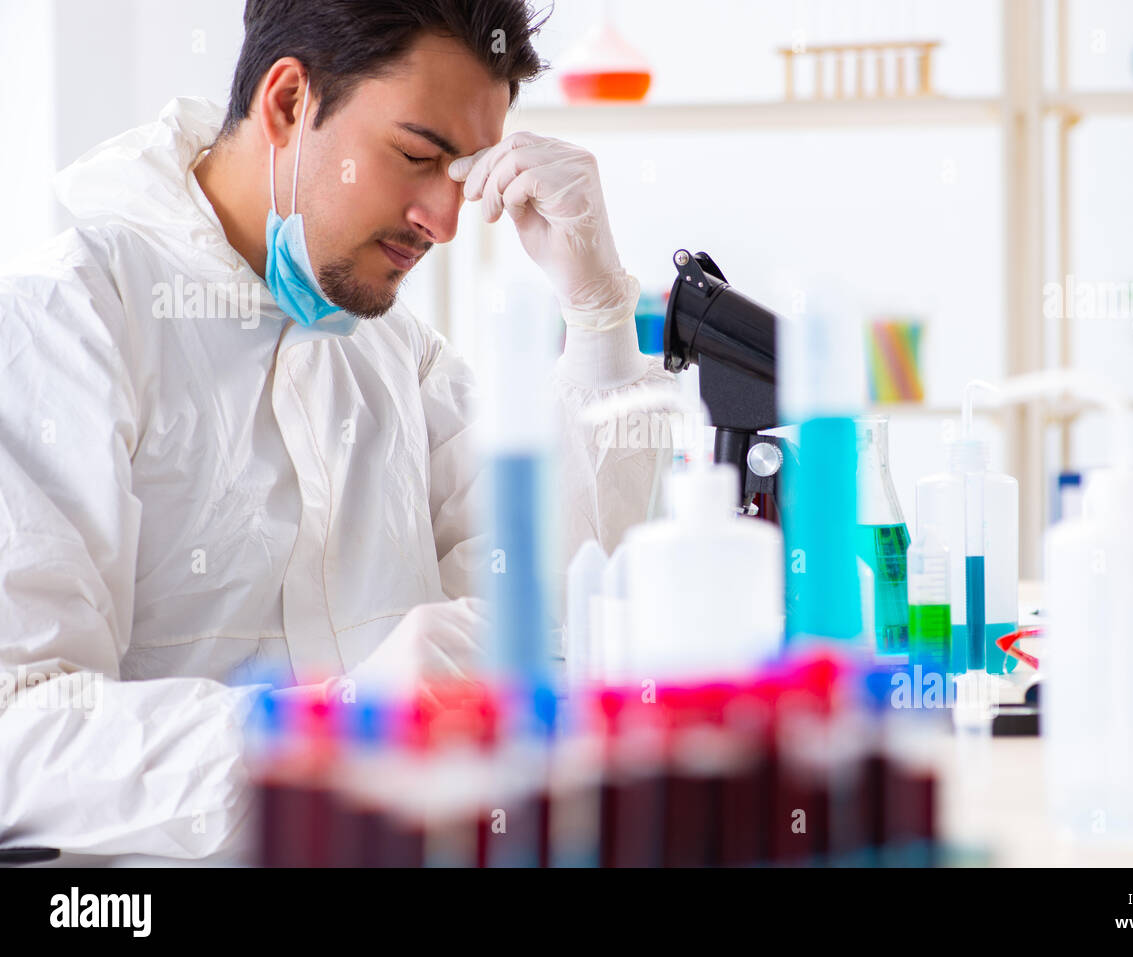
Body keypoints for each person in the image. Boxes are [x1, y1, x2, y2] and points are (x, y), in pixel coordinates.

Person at [0, 0, 671, 859]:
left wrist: (600, 314)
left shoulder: (399, 356)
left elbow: (556, 611)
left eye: (463, 174)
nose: (446, 218)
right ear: (287, 103)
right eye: (418, 156)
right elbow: (26, 734)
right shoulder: (67, 325)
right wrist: (328, 726)